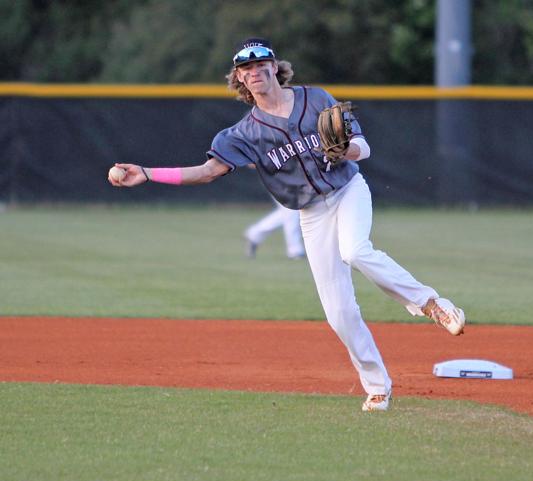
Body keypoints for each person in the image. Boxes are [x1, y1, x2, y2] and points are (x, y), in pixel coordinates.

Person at [108, 37, 466, 410]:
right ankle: (377, 386)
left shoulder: (317, 100)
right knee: (338, 313)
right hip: (310, 213)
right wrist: (148, 173)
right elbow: (207, 172)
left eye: (262, 63)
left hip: (347, 191)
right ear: (240, 80)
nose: (255, 71)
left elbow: (364, 147)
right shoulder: (243, 134)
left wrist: (346, 149)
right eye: (246, 68)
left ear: (275, 67)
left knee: (357, 250)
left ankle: (430, 303)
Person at [243, 195, 305, 260]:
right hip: (284, 186)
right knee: (292, 211)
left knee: (290, 212)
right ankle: (295, 250)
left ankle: (255, 233)